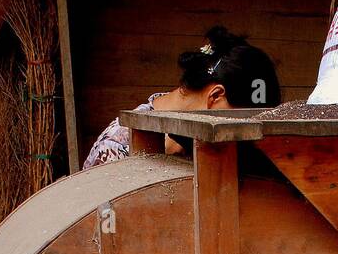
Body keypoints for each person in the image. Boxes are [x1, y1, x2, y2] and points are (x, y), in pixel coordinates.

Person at [83, 26, 281, 169]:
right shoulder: (118, 148)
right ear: (216, 96)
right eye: (239, 126)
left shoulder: (187, 141)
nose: (237, 140)